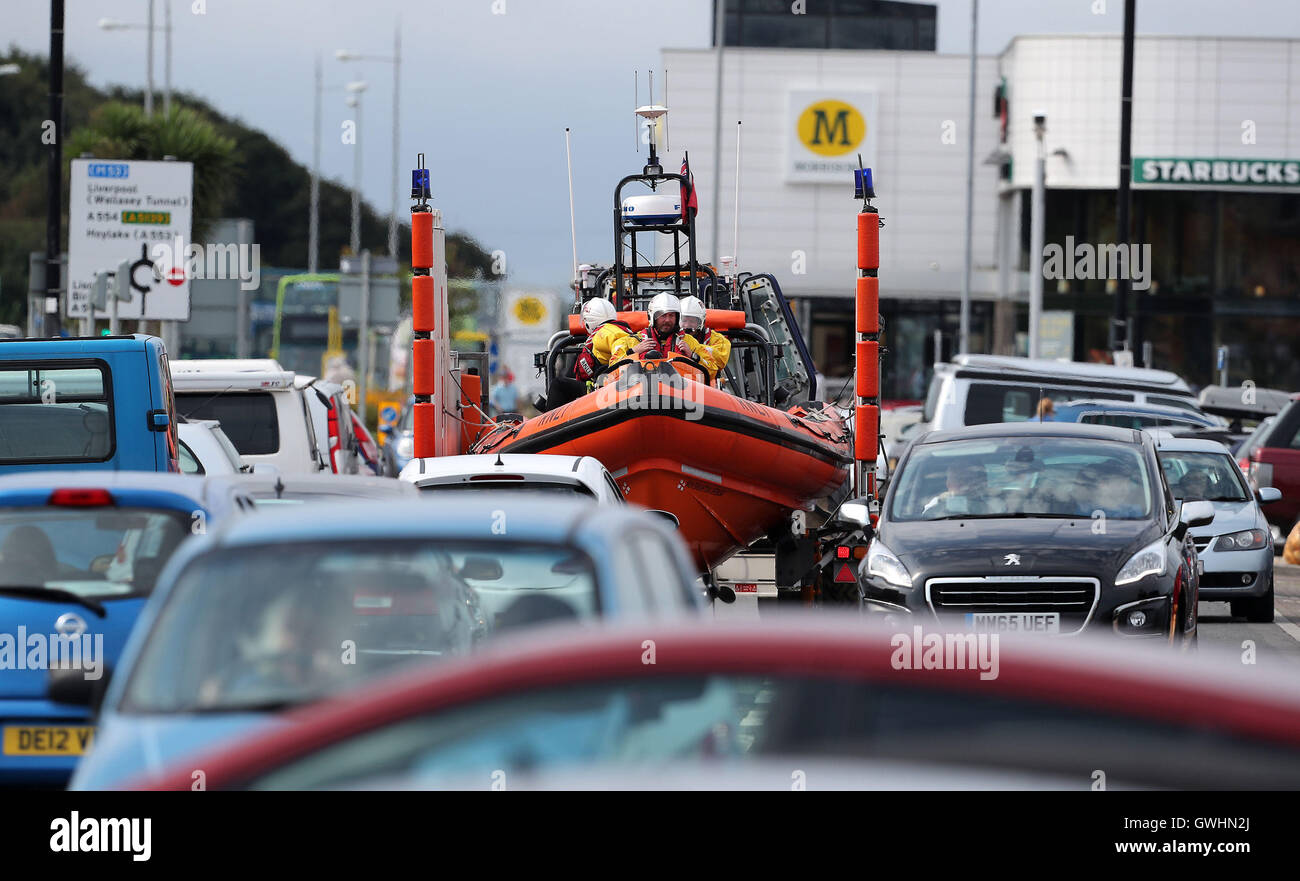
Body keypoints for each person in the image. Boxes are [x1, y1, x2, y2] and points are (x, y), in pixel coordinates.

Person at [536, 297, 638, 412]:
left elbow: (620, 349)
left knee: (558, 385)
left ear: (589, 321)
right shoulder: (617, 330)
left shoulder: (605, 333)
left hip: (605, 389)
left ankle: (549, 420)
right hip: (606, 386)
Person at [678, 295, 732, 381]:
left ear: (701, 321)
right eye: (684, 320)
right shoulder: (674, 337)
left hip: (707, 384)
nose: (687, 325)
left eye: (692, 321)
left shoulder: (718, 340)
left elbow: (719, 361)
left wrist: (693, 351)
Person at [631, 293, 693, 360]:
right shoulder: (635, 341)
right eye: (663, 315)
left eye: (671, 315)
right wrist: (632, 352)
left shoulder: (688, 341)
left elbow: (705, 363)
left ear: (677, 318)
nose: (667, 320)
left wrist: (692, 355)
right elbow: (618, 362)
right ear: (653, 317)